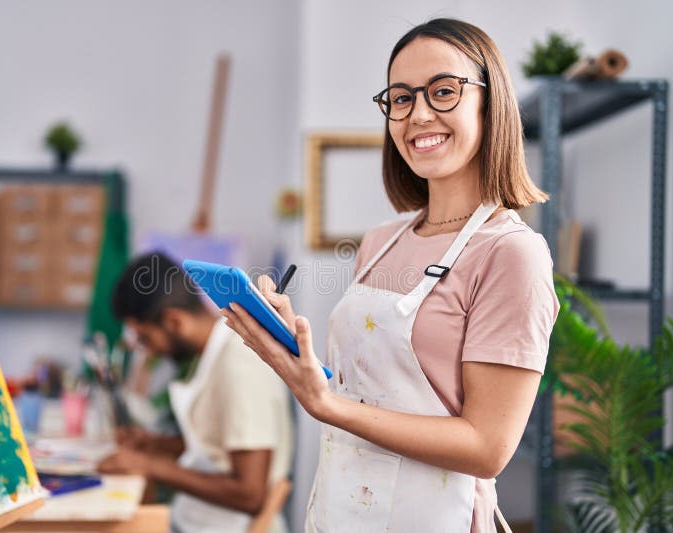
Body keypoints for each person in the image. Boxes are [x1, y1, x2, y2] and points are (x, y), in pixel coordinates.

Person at [222, 18, 560, 533]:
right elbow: (363, 388)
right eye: (400, 99)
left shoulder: (512, 254)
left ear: (490, 105)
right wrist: (290, 344)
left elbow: (488, 448)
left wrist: (326, 405)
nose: (418, 114)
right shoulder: (382, 241)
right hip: (338, 511)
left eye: (444, 92)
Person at [98, 252, 294, 533]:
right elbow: (219, 449)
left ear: (174, 321)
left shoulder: (239, 360)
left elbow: (251, 494)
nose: (149, 350)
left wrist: (150, 465)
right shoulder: (213, 354)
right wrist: (157, 444)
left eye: (145, 337)